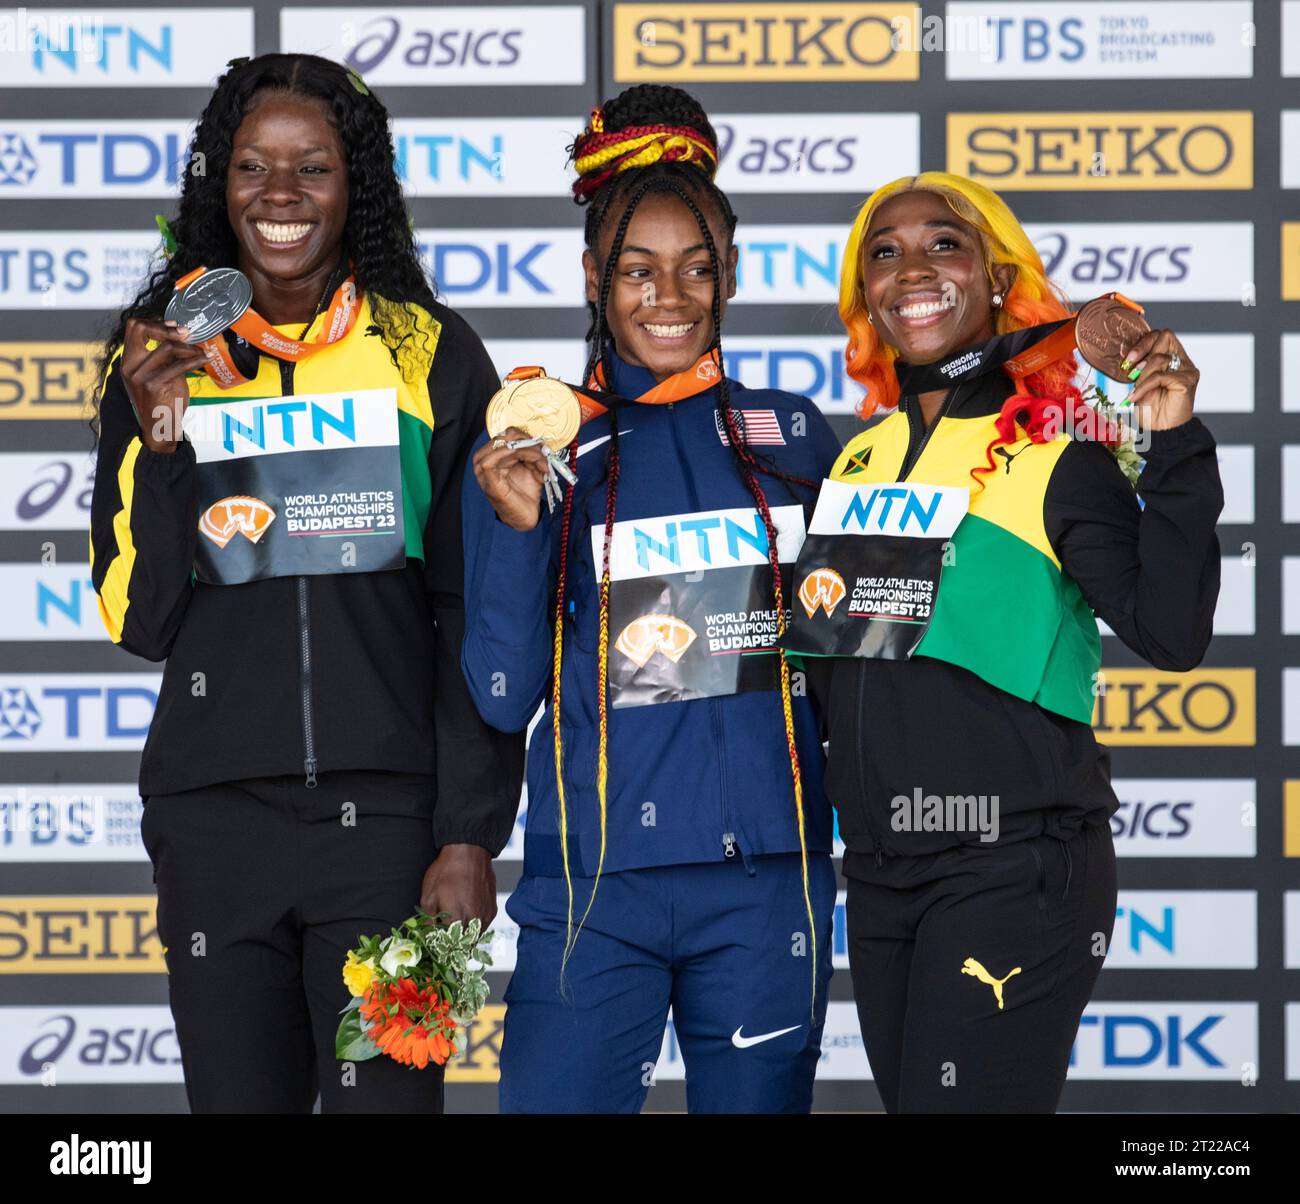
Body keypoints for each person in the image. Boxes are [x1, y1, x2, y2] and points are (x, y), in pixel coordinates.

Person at [89, 53, 523, 1114]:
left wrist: (468, 830)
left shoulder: (429, 352)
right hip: (215, 825)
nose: (280, 195)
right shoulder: (160, 356)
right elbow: (137, 618)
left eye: (313, 167)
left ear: (354, 183)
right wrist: (163, 442)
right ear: (218, 184)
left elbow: (477, 612)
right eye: (252, 167)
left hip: (387, 833)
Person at [802, 172, 1223, 1112]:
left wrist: (1178, 443)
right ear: (863, 295)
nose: (911, 266)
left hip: (1010, 867)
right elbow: (839, 673)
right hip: (879, 874)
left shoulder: (1057, 451)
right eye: (884, 251)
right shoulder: (855, 458)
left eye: (943, 244)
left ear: (999, 279)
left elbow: (1172, 629)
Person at [460, 84, 843, 1113]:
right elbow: (498, 695)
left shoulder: (798, 439)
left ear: (728, 274)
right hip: (594, 890)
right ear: (594, 276)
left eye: (694, 268)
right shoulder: (533, 451)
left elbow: (867, 655)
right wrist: (513, 529)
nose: (666, 296)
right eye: (636, 270)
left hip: (769, 882)